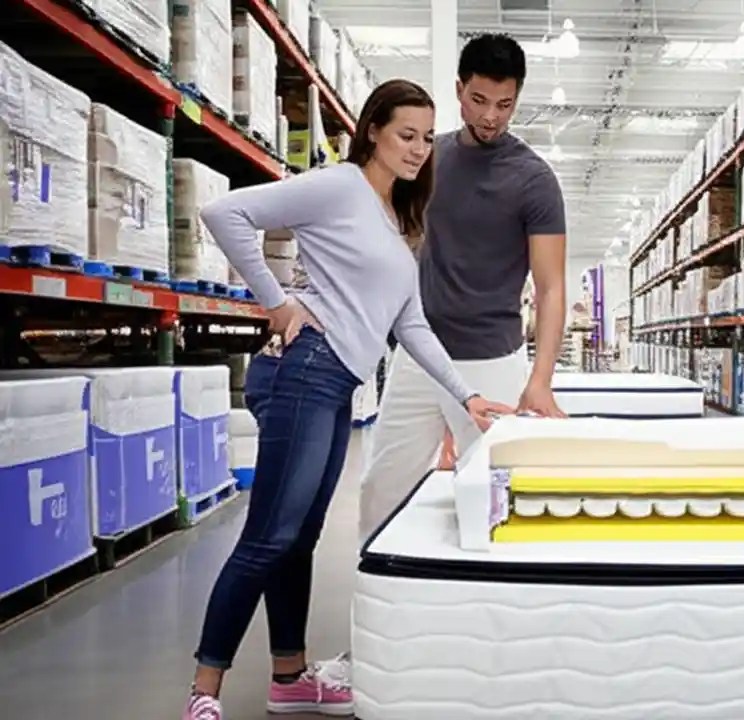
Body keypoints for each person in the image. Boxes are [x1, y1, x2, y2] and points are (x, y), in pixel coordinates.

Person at [183, 79, 513, 720]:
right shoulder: (340, 187)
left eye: (424, 138)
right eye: (405, 135)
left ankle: (288, 678)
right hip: (306, 370)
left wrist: (465, 395)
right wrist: (276, 303)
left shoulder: (397, 222)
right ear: (372, 132)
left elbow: (411, 323)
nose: (419, 149)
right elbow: (226, 214)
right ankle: (204, 692)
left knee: (299, 538)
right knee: (267, 537)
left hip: (339, 382)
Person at [358, 33, 570, 540]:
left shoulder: (534, 181)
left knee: (497, 503)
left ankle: (488, 609)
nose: (491, 116)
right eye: (478, 101)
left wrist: (540, 380)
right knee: (380, 490)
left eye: (504, 104)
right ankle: (383, 600)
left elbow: (552, 287)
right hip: (420, 356)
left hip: (492, 364)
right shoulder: (427, 159)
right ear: (458, 90)